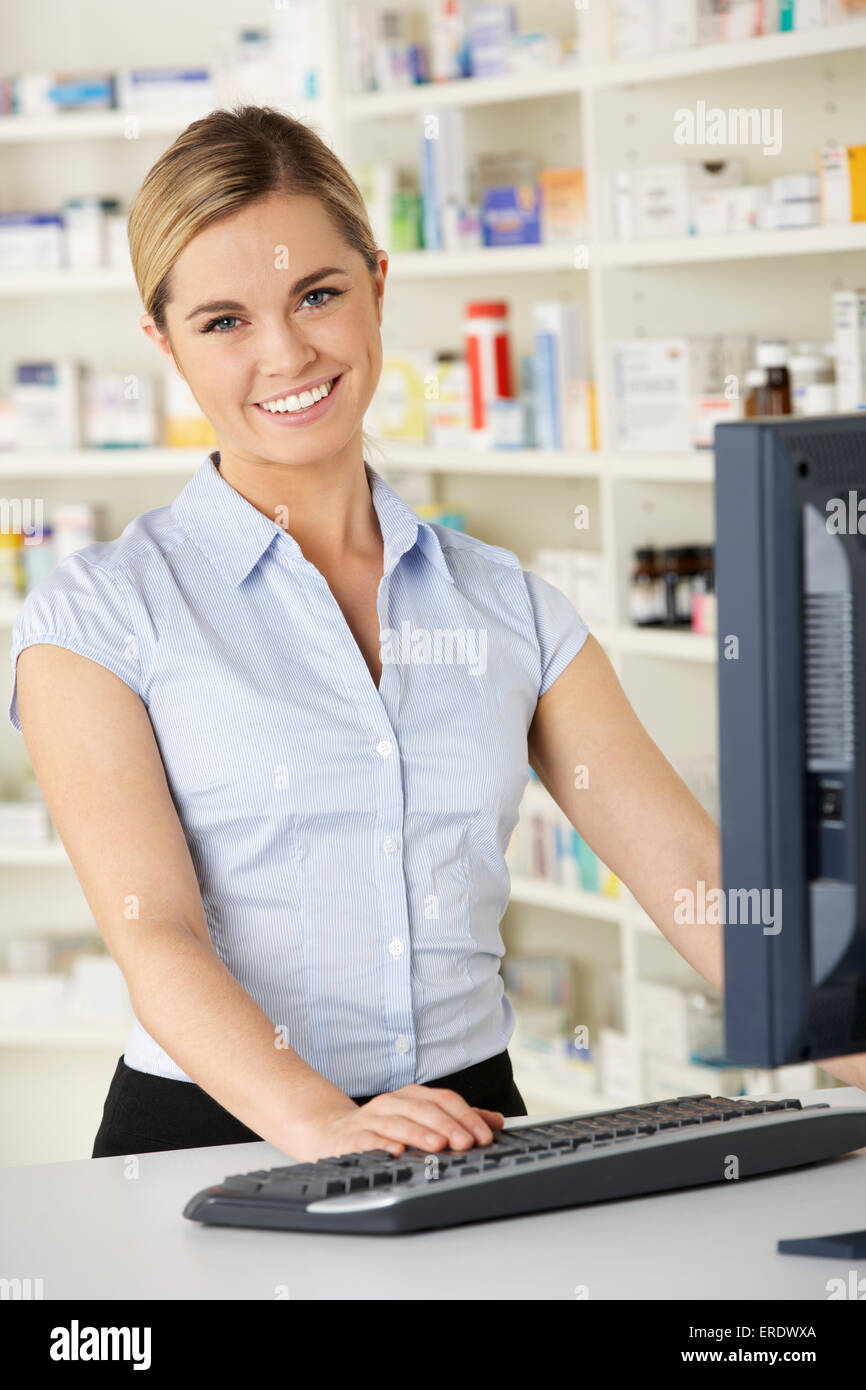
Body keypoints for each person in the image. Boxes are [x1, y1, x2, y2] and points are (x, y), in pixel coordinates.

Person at [15, 104, 854, 1165]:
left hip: (470, 1124)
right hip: (211, 1138)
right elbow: (153, 931)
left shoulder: (504, 603)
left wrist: (853, 1035)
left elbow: (691, 872)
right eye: (224, 320)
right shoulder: (96, 616)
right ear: (164, 342)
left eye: (316, 295)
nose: (285, 353)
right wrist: (324, 1123)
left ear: (375, 282)